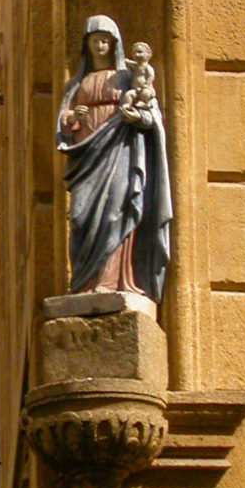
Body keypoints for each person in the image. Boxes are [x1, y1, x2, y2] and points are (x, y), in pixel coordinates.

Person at [57, 15, 171, 301]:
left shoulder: (126, 77)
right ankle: (84, 282)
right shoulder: (77, 84)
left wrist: (138, 117)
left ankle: (111, 283)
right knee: (80, 216)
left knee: (115, 213)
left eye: (105, 39)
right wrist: (74, 117)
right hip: (86, 156)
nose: (100, 45)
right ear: (87, 45)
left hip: (119, 150)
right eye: (95, 39)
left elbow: (150, 111)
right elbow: (63, 122)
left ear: (115, 43)